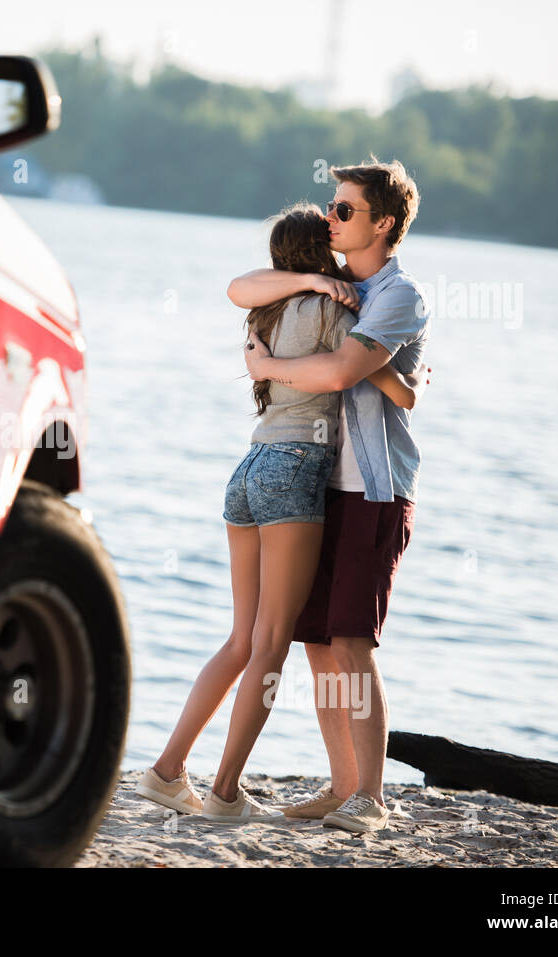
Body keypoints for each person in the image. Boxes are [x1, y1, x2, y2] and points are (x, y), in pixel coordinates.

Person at [134, 199, 428, 823]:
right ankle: (224, 793)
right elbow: (358, 373)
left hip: (248, 469)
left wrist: (266, 362)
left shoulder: (262, 311)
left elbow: (239, 287)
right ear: (321, 256)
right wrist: (412, 384)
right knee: (269, 644)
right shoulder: (333, 306)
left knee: (241, 638)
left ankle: (166, 772)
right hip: (295, 471)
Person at [235, 157, 430, 833]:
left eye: (344, 210)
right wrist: (315, 276)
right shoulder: (340, 284)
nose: (330, 217)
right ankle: (343, 783)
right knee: (317, 642)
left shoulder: (398, 295)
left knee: (352, 641)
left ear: (383, 223)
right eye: (330, 206)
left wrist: (268, 366)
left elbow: (340, 369)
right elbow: (240, 287)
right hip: (321, 486)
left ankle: (369, 796)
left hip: (372, 490)